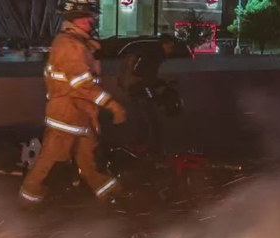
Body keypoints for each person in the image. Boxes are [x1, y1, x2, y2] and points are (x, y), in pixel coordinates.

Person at [19, 0, 128, 208]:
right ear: (75, 18)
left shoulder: (79, 42)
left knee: (87, 158)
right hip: (67, 114)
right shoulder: (70, 45)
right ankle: (29, 199)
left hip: (80, 113)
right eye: (88, 17)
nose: (92, 21)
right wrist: (113, 105)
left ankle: (109, 193)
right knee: (50, 159)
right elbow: (83, 85)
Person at [117, 33, 177, 158]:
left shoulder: (150, 53)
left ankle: (140, 149)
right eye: (170, 47)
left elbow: (146, 77)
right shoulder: (155, 56)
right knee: (152, 122)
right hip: (140, 92)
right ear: (164, 45)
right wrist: (154, 97)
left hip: (136, 90)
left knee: (143, 121)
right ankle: (154, 152)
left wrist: (158, 83)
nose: (171, 51)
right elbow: (146, 80)